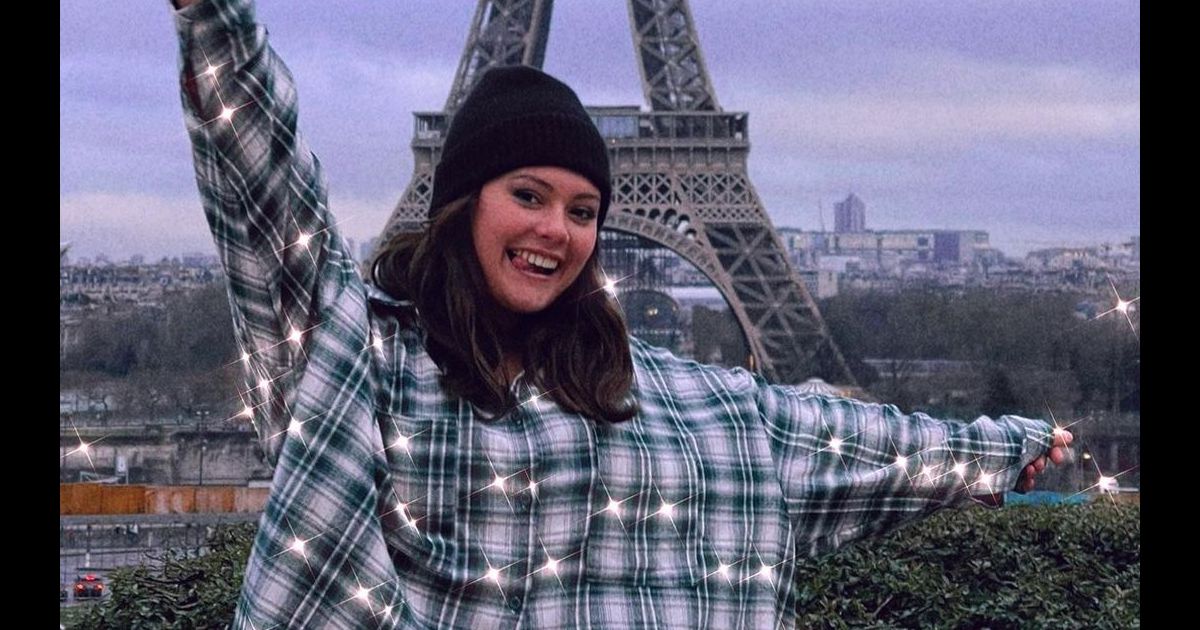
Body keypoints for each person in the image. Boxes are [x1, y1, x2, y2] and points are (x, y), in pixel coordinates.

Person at [167, 0, 1072, 627]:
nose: (554, 230)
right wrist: (213, 20)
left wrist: (1013, 447)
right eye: (527, 193)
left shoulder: (678, 405)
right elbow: (263, 189)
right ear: (461, 203)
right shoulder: (358, 366)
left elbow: (851, 445)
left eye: (583, 209)